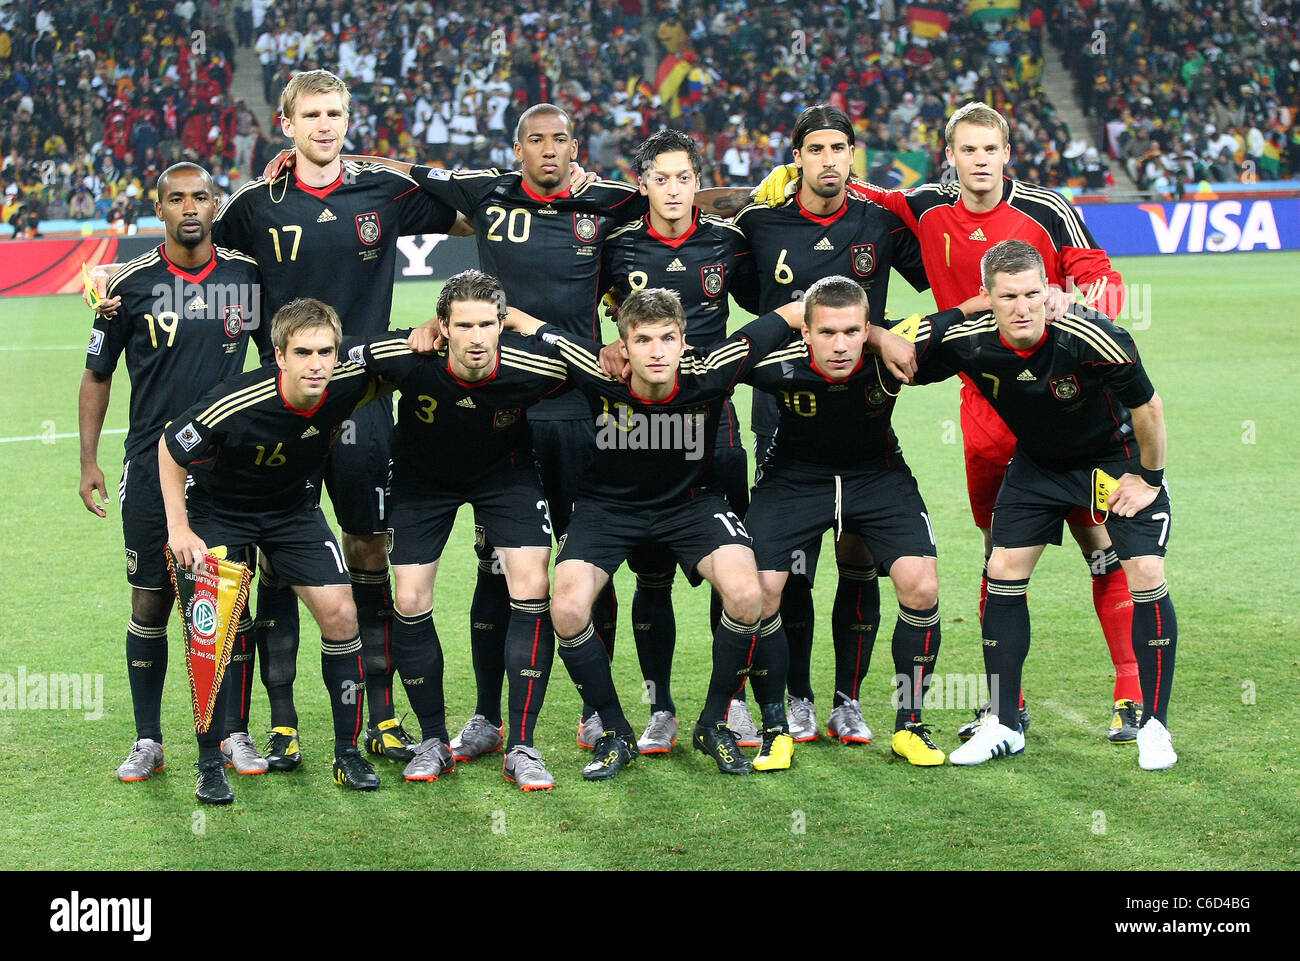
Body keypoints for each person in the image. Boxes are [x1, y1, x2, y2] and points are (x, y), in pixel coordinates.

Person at [840, 102, 1142, 744]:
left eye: (990, 149)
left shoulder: (1047, 210)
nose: (980, 161)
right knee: (999, 555)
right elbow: (864, 189)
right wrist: (781, 179)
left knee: (1100, 543)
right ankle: (1009, 705)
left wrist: (1082, 301)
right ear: (949, 157)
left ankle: (1130, 694)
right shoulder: (926, 207)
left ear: (1008, 154)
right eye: (967, 150)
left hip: (1068, 409)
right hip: (987, 407)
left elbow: (1103, 279)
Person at [506, 290, 813, 779]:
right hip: (607, 508)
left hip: (693, 506)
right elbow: (532, 323)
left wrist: (879, 335)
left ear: (683, 342)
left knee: (747, 594)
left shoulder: (712, 371)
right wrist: (455, 323)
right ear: (622, 347)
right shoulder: (597, 370)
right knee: (564, 606)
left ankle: (713, 724)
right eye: (642, 339)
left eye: (667, 338)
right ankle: (614, 731)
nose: (656, 351)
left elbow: (792, 313)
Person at [906, 241, 1177, 771]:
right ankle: (1004, 724)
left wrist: (1149, 478)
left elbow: (1148, 404)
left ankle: (1155, 727)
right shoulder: (970, 340)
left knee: (1144, 571)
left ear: (1048, 291)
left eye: (1034, 293)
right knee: (1002, 568)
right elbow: (906, 354)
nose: (1023, 307)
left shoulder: (1091, 334)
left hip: (1111, 459)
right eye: (1008, 297)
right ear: (987, 297)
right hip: (1039, 465)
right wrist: (894, 331)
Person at [726, 104, 931, 745]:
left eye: (840, 148)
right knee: (792, 565)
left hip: (866, 419)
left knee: (859, 560)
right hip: (786, 416)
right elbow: (732, 298)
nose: (829, 160)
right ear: (797, 159)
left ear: (853, 156)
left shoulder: (878, 221)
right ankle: (796, 696)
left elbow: (933, 284)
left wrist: (873, 331)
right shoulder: (758, 224)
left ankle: (848, 697)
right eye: (815, 149)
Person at [79, 162, 264, 784]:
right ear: (159, 209)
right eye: (176, 198)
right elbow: (97, 376)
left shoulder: (246, 276)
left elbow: (280, 363)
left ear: (216, 204)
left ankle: (233, 733)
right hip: (148, 464)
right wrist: (87, 461)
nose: (190, 207)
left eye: (201, 197)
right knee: (152, 598)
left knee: (224, 605)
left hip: (229, 469)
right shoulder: (127, 285)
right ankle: (148, 737)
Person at [160, 298, 385, 802]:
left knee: (341, 614)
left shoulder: (344, 383)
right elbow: (173, 445)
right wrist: (179, 528)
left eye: (326, 351)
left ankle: (347, 753)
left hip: (291, 511)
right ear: (279, 356)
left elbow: (389, 367)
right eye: (303, 352)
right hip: (219, 510)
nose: (317, 363)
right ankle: (207, 761)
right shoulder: (236, 401)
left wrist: (434, 331)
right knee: (210, 632)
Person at [357, 270, 570, 789]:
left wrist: (536, 325)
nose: (476, 338)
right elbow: (338, 356)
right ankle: (433, 740)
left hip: (507, 474)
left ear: (502, 324)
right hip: (423, 480)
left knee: (533, 587)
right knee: (408, 599)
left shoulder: (533, 365)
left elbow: (597, 360)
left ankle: (520, 744)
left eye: (487, 324)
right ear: (443, 327)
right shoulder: (410, 358)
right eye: (463, 325)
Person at [596, 128, 757, 755]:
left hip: (713, 424)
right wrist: (608, 341)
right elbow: (587, 310)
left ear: (698, 183)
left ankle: (733, 704)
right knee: (652, 572)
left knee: (733, 570)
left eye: (682, 177)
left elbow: (773, 300)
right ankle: (659, 705)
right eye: (659, 178)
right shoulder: (618, 248)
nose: (672, 189)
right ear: (643, 185)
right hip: (639, 427)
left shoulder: (729, 245)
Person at [745, 275, 946, 766]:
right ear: (805, 332)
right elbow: (717, 359)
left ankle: (906, 725)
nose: (840, 345)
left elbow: (961, 325)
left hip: (876, 475)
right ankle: (778, 724)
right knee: (763, 590)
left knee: (921, 587)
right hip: (795, 478)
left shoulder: (894, 351)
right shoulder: (777, 362)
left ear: (868, 329)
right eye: (827, 333)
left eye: (853, 332)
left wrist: (883, 336)